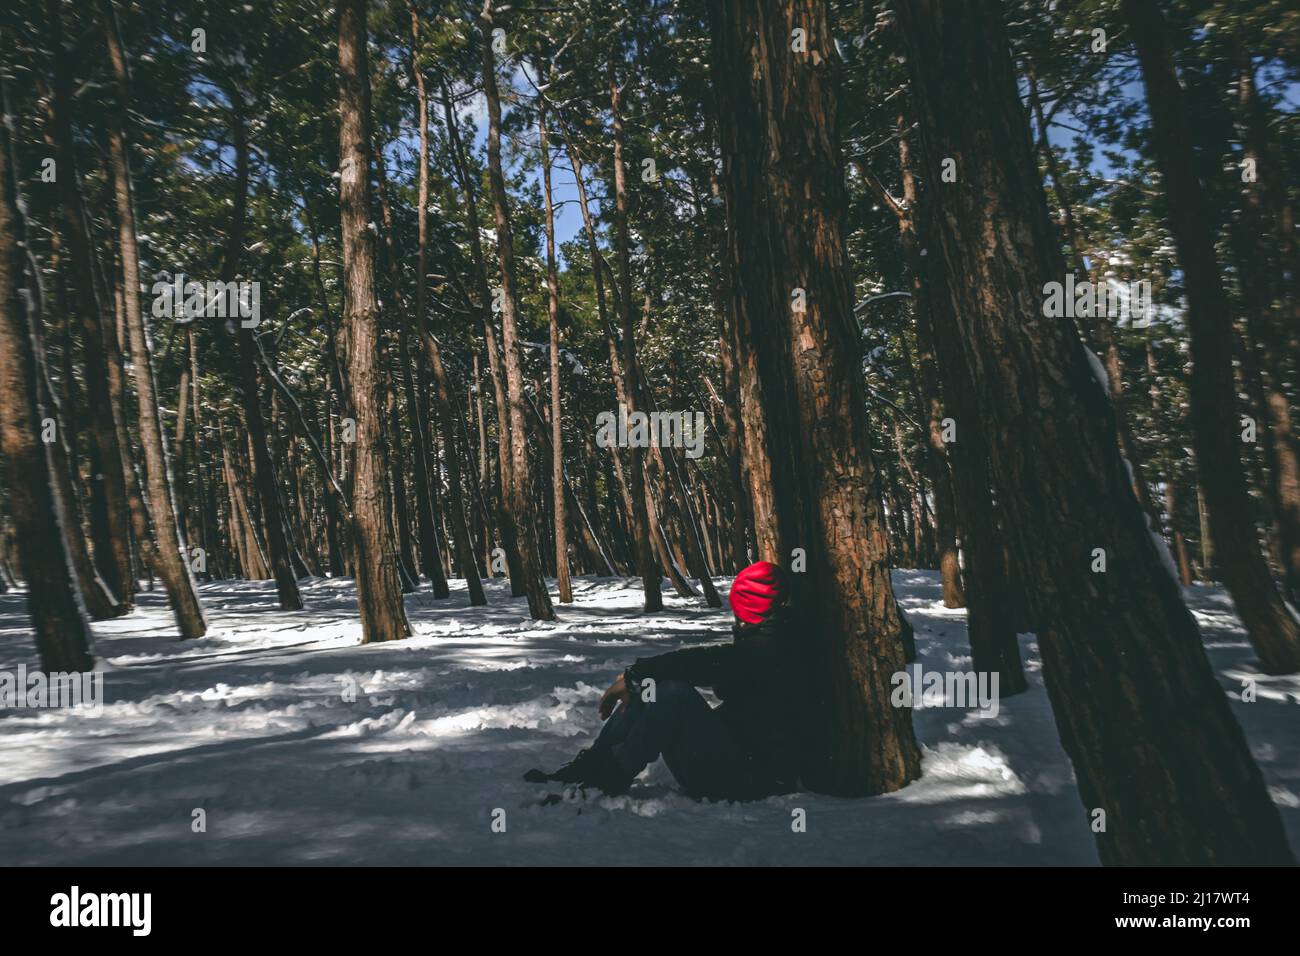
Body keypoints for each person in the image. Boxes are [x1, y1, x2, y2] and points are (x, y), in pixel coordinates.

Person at [524, 561, 807, 800]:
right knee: (654, 688)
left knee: (672, 693)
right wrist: (638, 677)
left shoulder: (774, 645)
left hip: (755, 781)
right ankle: (595, 765)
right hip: (735, 763)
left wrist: (638, 673)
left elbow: (705, 663)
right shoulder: (768, 638)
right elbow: (717, 667)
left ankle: (611, 774)